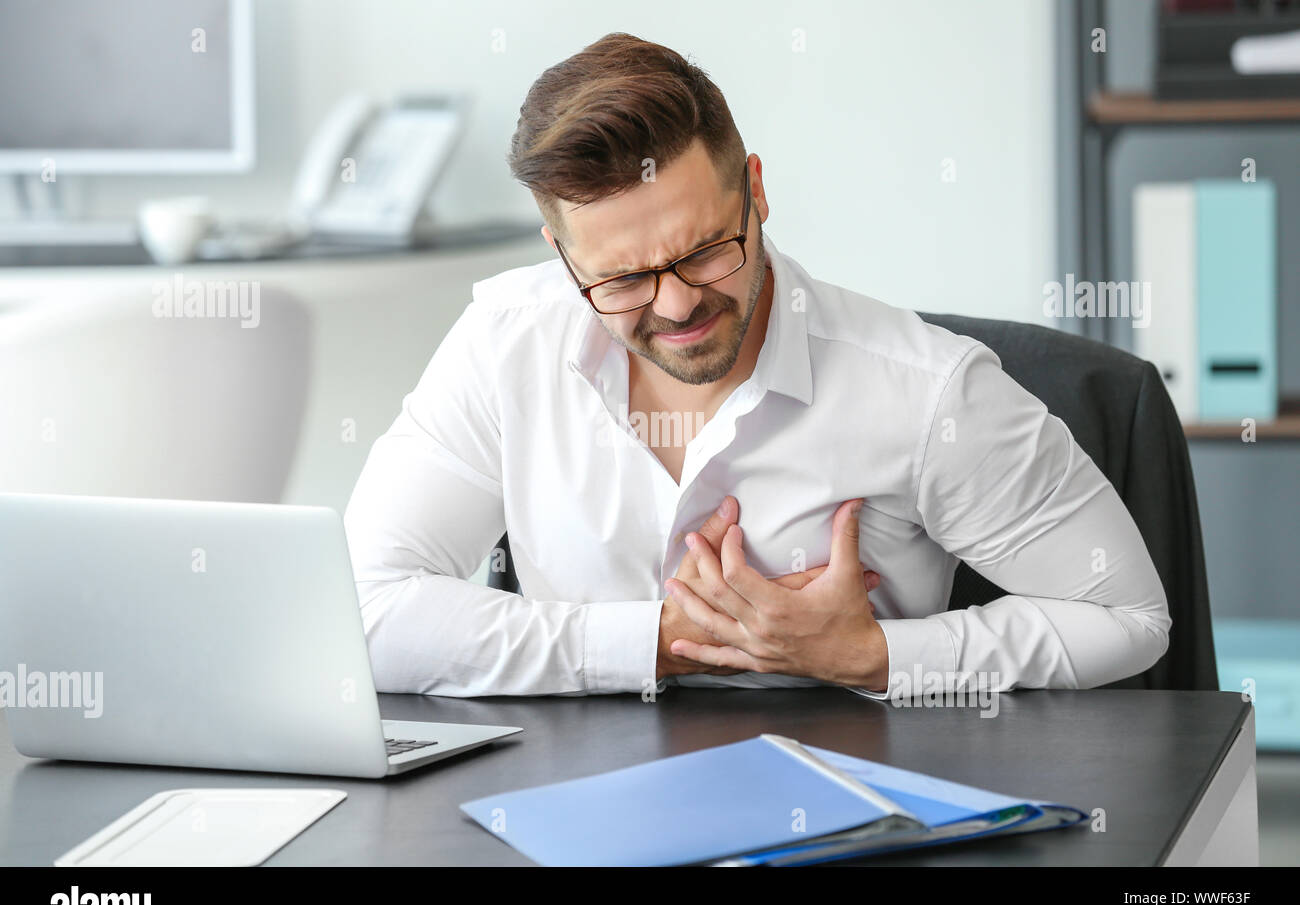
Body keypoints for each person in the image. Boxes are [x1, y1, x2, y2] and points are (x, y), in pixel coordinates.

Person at [343, 33, 1171, 699]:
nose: (674, 306)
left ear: (757, 193)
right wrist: (653, 644)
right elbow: (359, 613)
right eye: (624, 278)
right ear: (562, 257)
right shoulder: (503, 343)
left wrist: (874, 655)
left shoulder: (926, 391)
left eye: (705, 251)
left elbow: (1129, 616)